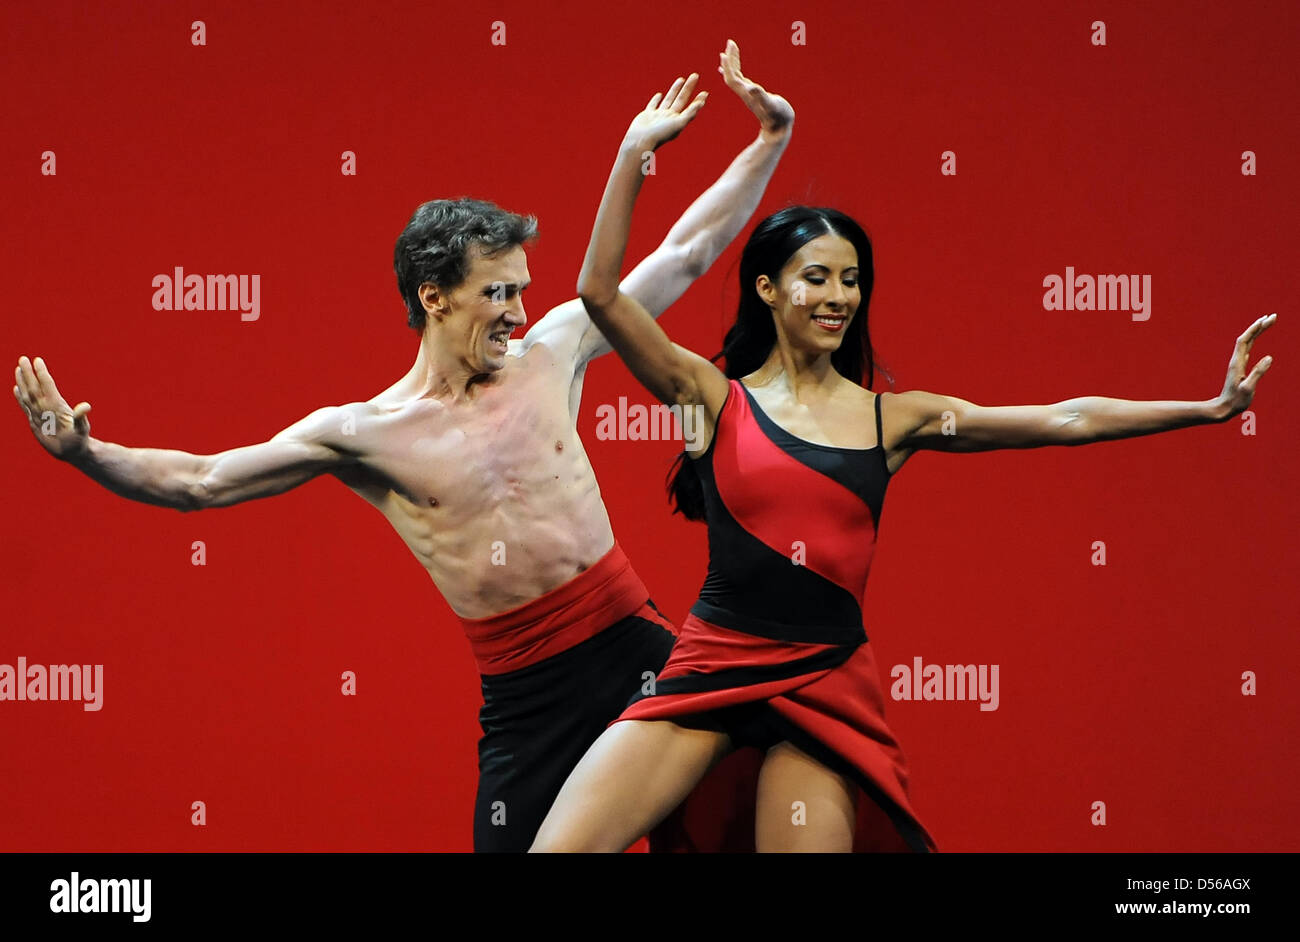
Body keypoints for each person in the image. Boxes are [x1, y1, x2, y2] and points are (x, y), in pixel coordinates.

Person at [10, 42, 796, 852]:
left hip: (636, 652)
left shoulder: (554, 351)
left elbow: (685, 252)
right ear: (434, 298)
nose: (522, 312)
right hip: (526, 702)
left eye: (523, 289)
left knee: (752, 809)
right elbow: (202, 481)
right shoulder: (364, 435)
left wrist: (768, 139)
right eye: (499, 292)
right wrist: (84, 454)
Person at [530, 89, 1277, 852]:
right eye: (817, 277)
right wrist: (634, 154)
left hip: (823, 681)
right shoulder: (709, 397)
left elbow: (1065, 418)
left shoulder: (898, 419)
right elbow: (599, 293)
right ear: (767, 288)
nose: (839, 297)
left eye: (852, 280)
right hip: (713, 665)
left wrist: (1206, 408)